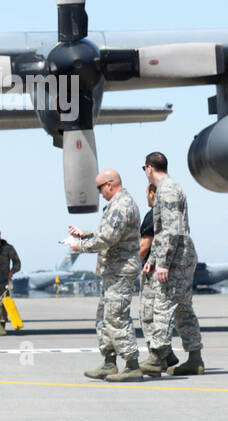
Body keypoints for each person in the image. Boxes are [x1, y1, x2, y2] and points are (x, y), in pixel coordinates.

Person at [68, 169, 143, 381]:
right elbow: (107, 234)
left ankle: (132, 365)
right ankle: (109, 362)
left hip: (120, 271)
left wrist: (80, 246)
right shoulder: (116, 205)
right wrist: (86, 234)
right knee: (104, 317)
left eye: (100, 188)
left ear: (110, 184)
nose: (100, 193)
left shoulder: (122, 205)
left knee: (117, 317)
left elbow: (107, 239)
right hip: (112, 271)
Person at [141, 152, 204, 375]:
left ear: (149, 168)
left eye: (144, 169)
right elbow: (162, 233)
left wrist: (164, 263)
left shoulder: (166, 191)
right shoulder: (170, 189)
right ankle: (195, 358)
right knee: (183, 309)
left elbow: (170, 230)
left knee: (163, 305)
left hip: (176, 259)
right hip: (180, 256)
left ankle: (158, 357)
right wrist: (152, 260)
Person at [137, 184, 178, 369]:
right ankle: (167, 356)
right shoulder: (170, 216)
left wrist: (128, 265)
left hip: (151, 271)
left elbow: (144, 246)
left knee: (149, 316)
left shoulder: (152, 215)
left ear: (152, 193)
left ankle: (157, 359)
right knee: (159, 315)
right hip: (164, 269)